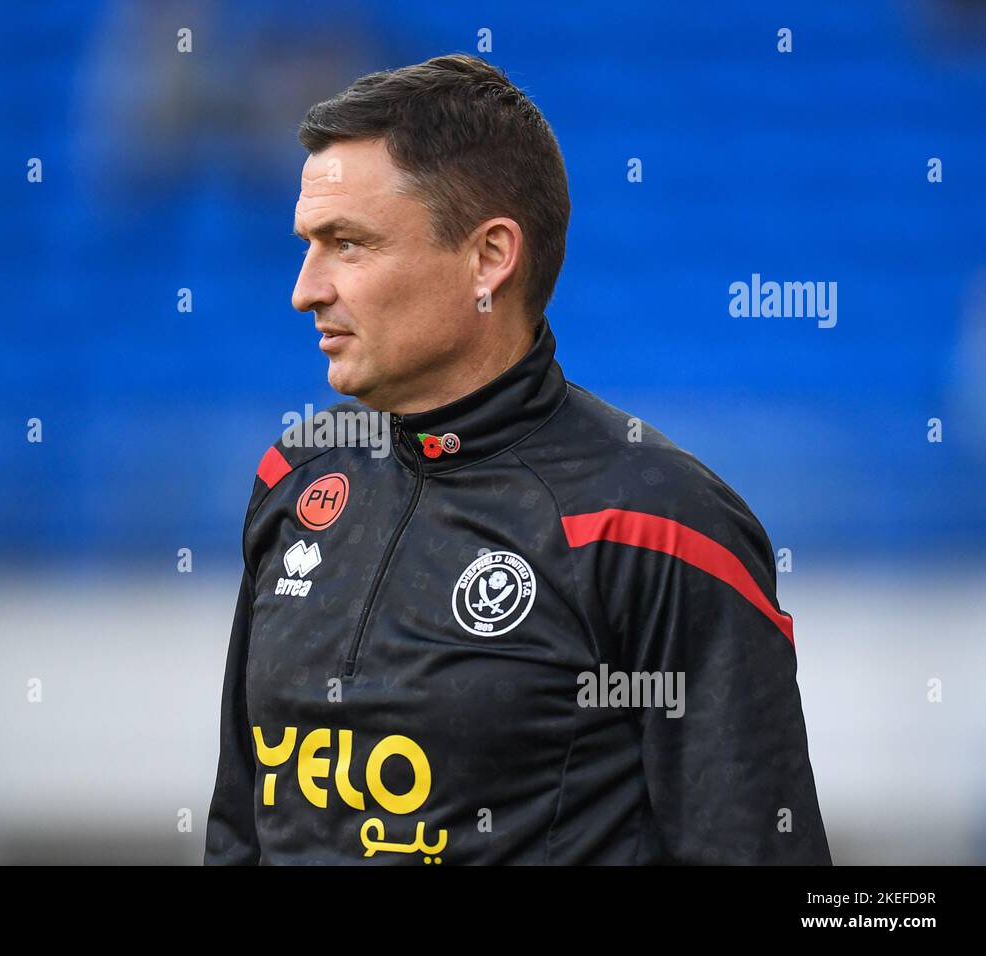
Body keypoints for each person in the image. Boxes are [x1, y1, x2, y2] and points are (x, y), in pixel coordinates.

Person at [204, 53, 830, 864]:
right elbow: (239, 829)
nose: (306, 287)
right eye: (308, 244)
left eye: (347, 244)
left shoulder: (655, 526)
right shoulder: (297, 477)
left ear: (489, 258)